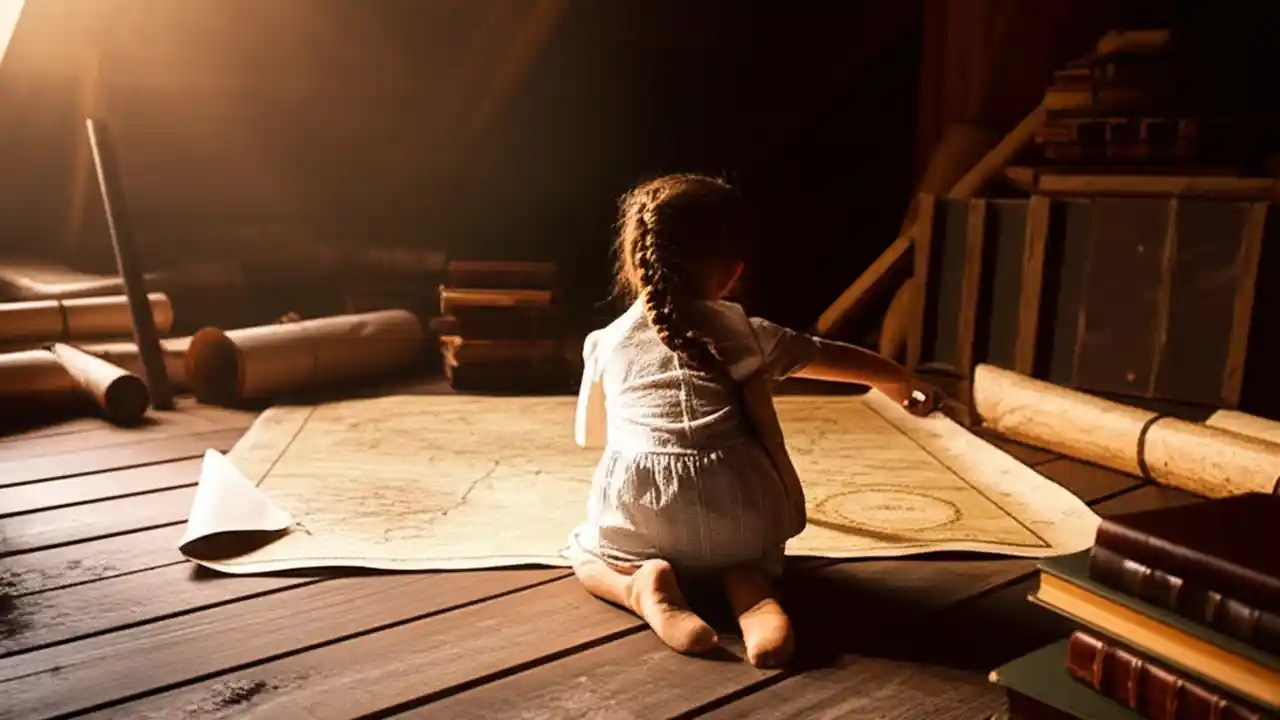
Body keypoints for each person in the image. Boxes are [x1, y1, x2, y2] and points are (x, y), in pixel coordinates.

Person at [566, 173, 938, 668]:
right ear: (731, 273)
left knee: (582, 549)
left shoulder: (605, 342)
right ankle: (751, 589)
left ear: (637, 261)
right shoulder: (746, 331)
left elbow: (589, 437)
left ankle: (638, 587)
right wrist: (896, 378)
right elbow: (827, 355)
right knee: (744, 550)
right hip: (740, 512)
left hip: (643, 513)